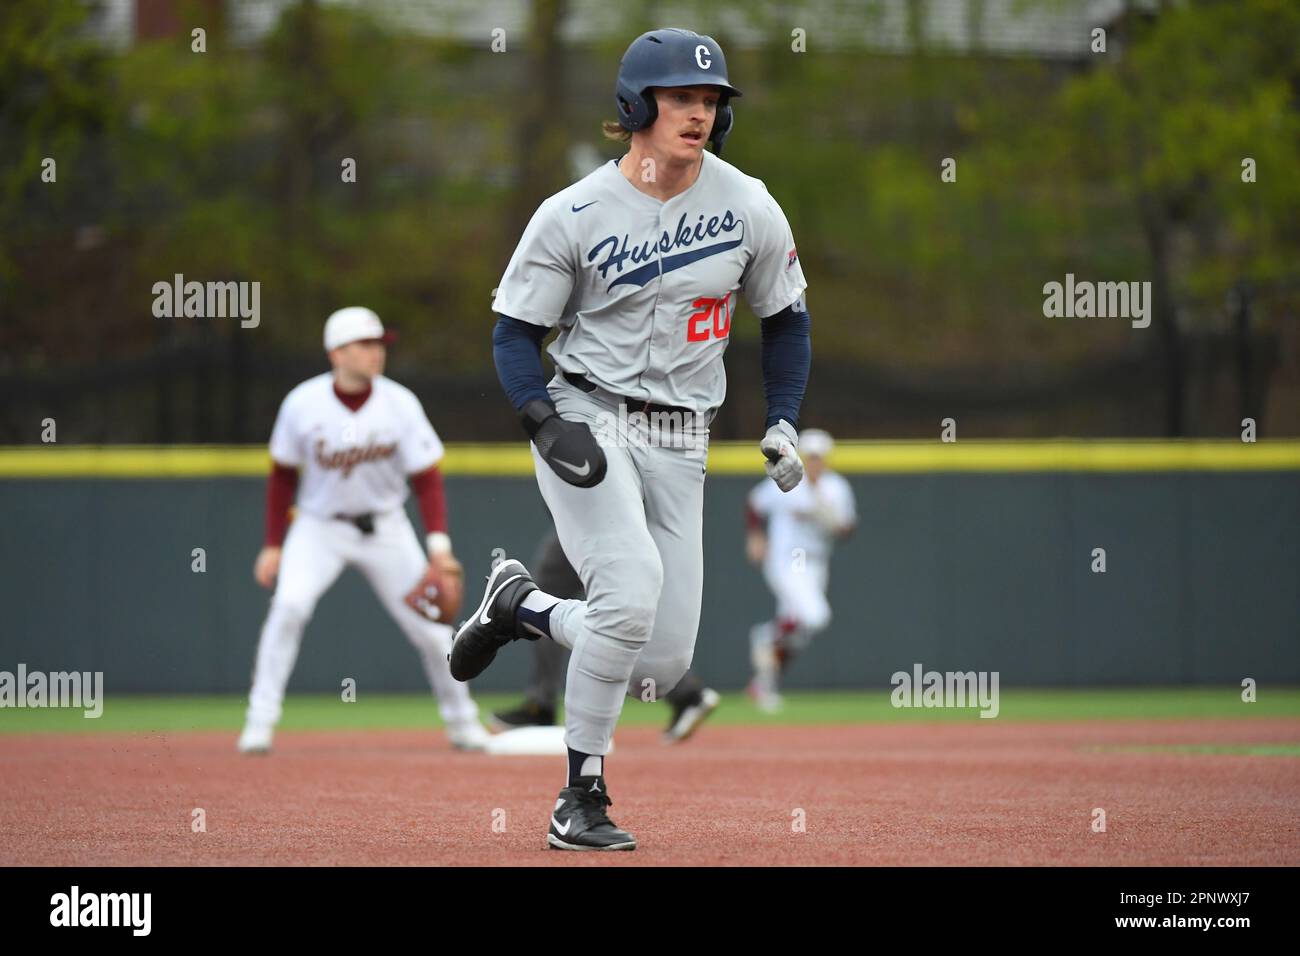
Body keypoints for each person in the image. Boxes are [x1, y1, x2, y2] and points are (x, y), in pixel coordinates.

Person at [450, 27, 811, 851]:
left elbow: (787, 320)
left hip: (687, 436)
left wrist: (783, 415)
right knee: (629, 590)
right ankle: (581, 795)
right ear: (635, 106)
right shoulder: (572, 213)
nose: (699, 113)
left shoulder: (748, 203)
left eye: (711, 100)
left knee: (659, 663)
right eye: (681, 97)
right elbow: (514, 334)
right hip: (590, 412)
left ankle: (521, 605)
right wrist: (542, 421)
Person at [237, 307, 490, 754]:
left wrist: (438, 545)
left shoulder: (400, 402)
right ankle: (259, 722)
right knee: (290, 606)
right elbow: (282, 476)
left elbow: (427, 478)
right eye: (366, 344)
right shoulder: (302, 402)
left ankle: (463, 723)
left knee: (432, 629)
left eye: (380, 345)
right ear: (336, 352)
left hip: (386, 527)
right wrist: (272, 545)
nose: (377, 353)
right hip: (318, 527)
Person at [490, 529, 721, 743]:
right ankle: (686, 693)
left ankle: (541, 704)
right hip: (608, 516)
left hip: (592, 514)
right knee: (618, 608)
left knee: (569, 599)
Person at [745, 429, 856, 712]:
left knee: (799, 632)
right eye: (810, 457)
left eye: (819, 457)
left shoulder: (836, 488)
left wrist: (830, 520)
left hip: (817, 564)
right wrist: (756, 537)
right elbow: (754, 505)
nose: (815, 462)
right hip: (786, 561)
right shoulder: (787, 480)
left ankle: (763, 686)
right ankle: (766, 636)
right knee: (816, 617)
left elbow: (847, 530)